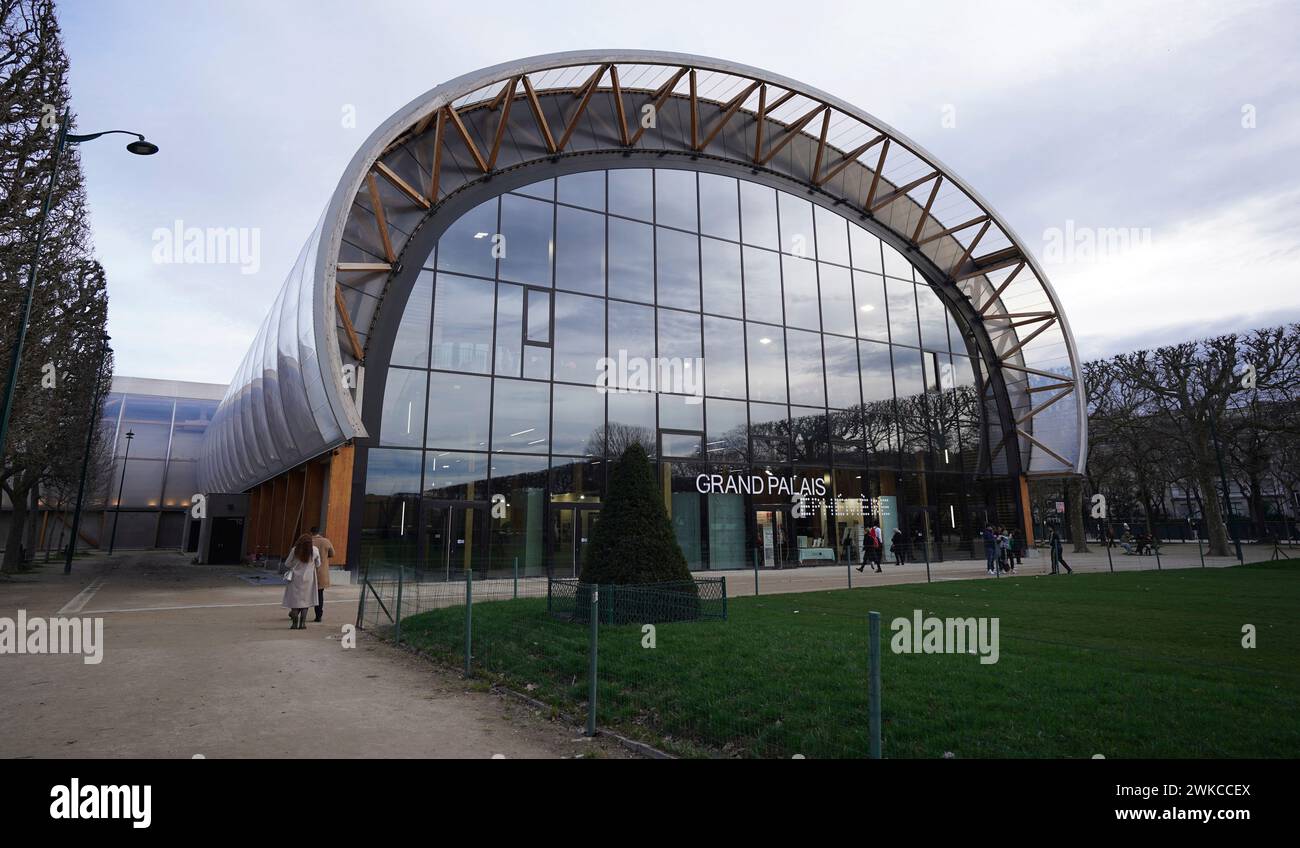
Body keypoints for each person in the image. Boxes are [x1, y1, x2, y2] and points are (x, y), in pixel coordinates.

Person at [282, 533, 321, 629]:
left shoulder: (295, 550)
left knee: (295, 602)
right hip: (309, 579)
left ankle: (294, 624)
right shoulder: (315, 550)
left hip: (295, 579)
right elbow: (318, 564)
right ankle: (302, 624)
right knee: (305, 602)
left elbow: (287, 563)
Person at [310, 526, 336, 622]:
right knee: (319, 595)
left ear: (311, 532)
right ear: (319, 532)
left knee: (304, 594)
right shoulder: (326, 541)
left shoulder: (308, 541)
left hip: (308, 572)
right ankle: (318, 616)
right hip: (321, 572)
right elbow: (332, 554)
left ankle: (299, 612)